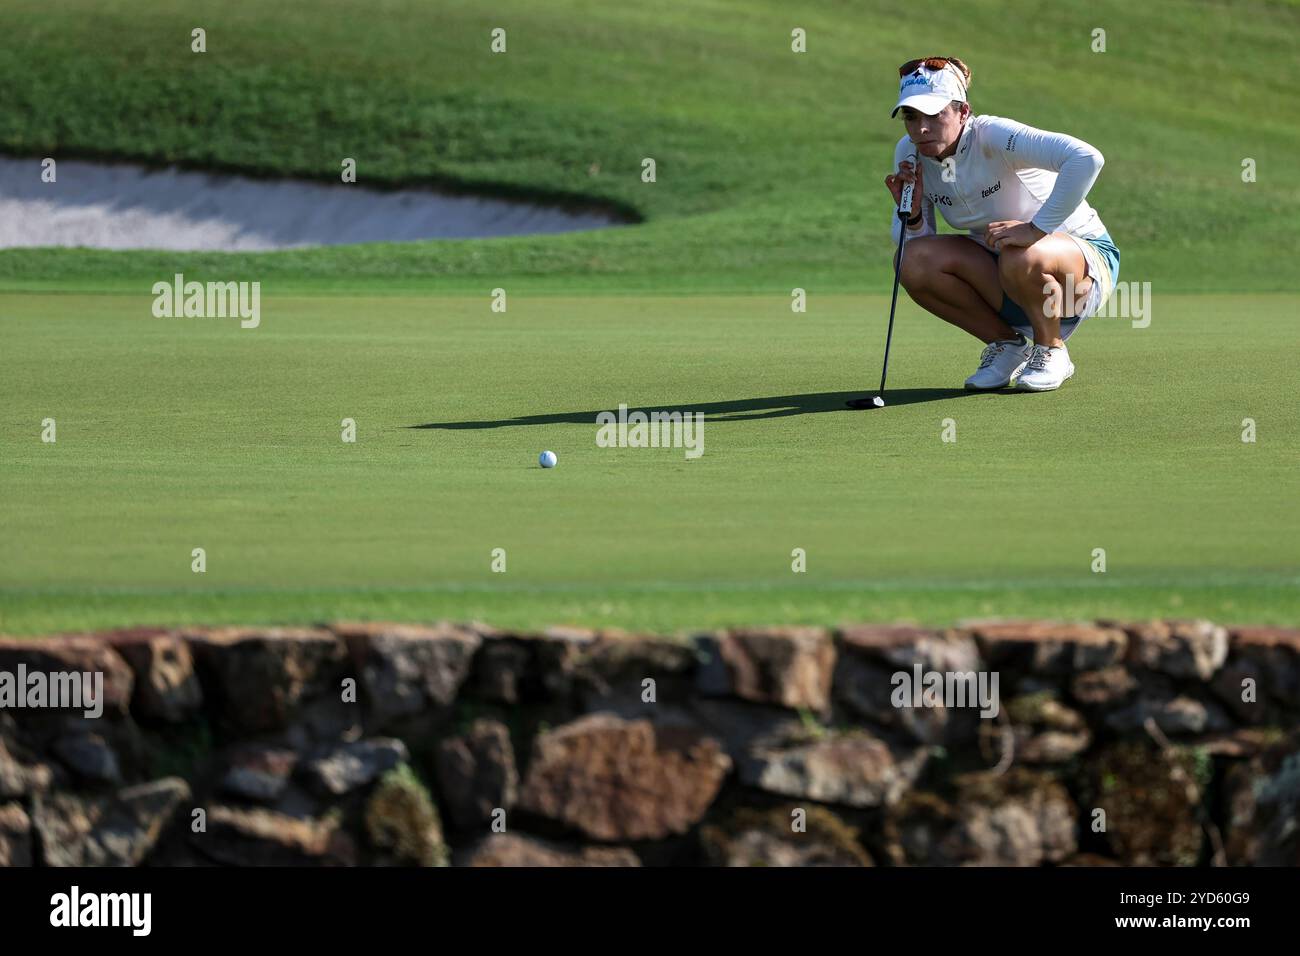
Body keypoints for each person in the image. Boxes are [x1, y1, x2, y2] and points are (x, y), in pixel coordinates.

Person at [884, 56, 1120, 391]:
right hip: (1005, 267)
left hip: (1080, 269)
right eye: (911, 117)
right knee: (911, 260)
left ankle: (1051, 349)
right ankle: (1007, 346)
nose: (921, 128)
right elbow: (913, 243)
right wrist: (916, 214)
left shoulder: (995, 136)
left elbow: (1085, 158)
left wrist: (1035, 229)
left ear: (963, 112)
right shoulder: (909, 151)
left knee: (1019, 252)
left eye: (934, 116)